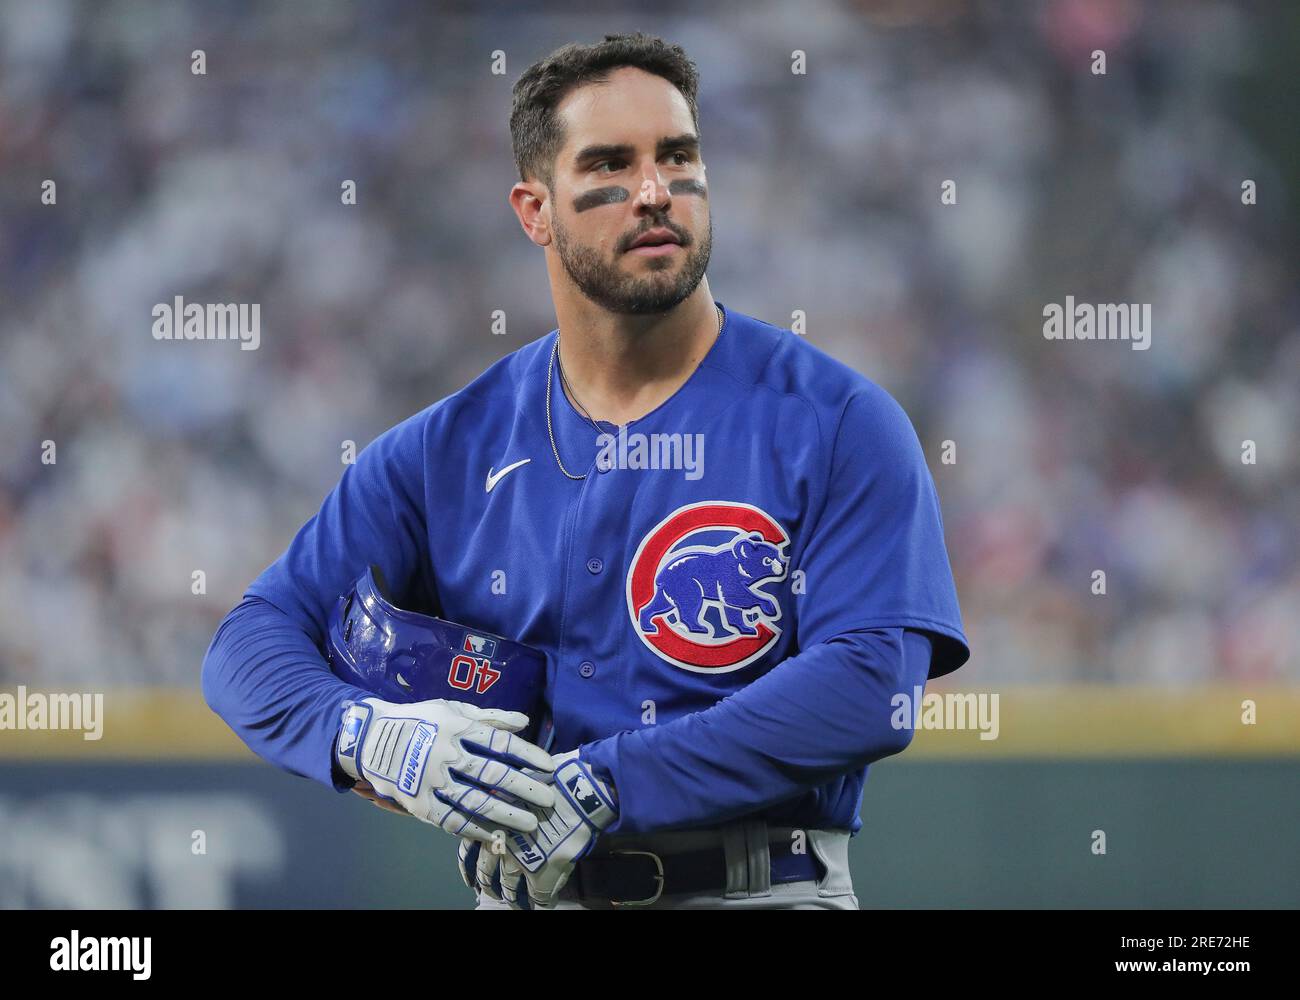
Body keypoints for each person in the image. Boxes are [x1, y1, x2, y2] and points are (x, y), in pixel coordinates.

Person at [202, 31, 969, 911]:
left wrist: (609, 784)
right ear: (535, 211)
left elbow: (873, 686)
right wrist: (369, 736)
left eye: (677, 157)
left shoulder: (836, 420)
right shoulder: (445, 448)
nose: (654, 192)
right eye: (610, 163)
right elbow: (248, 643)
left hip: (759, 889)